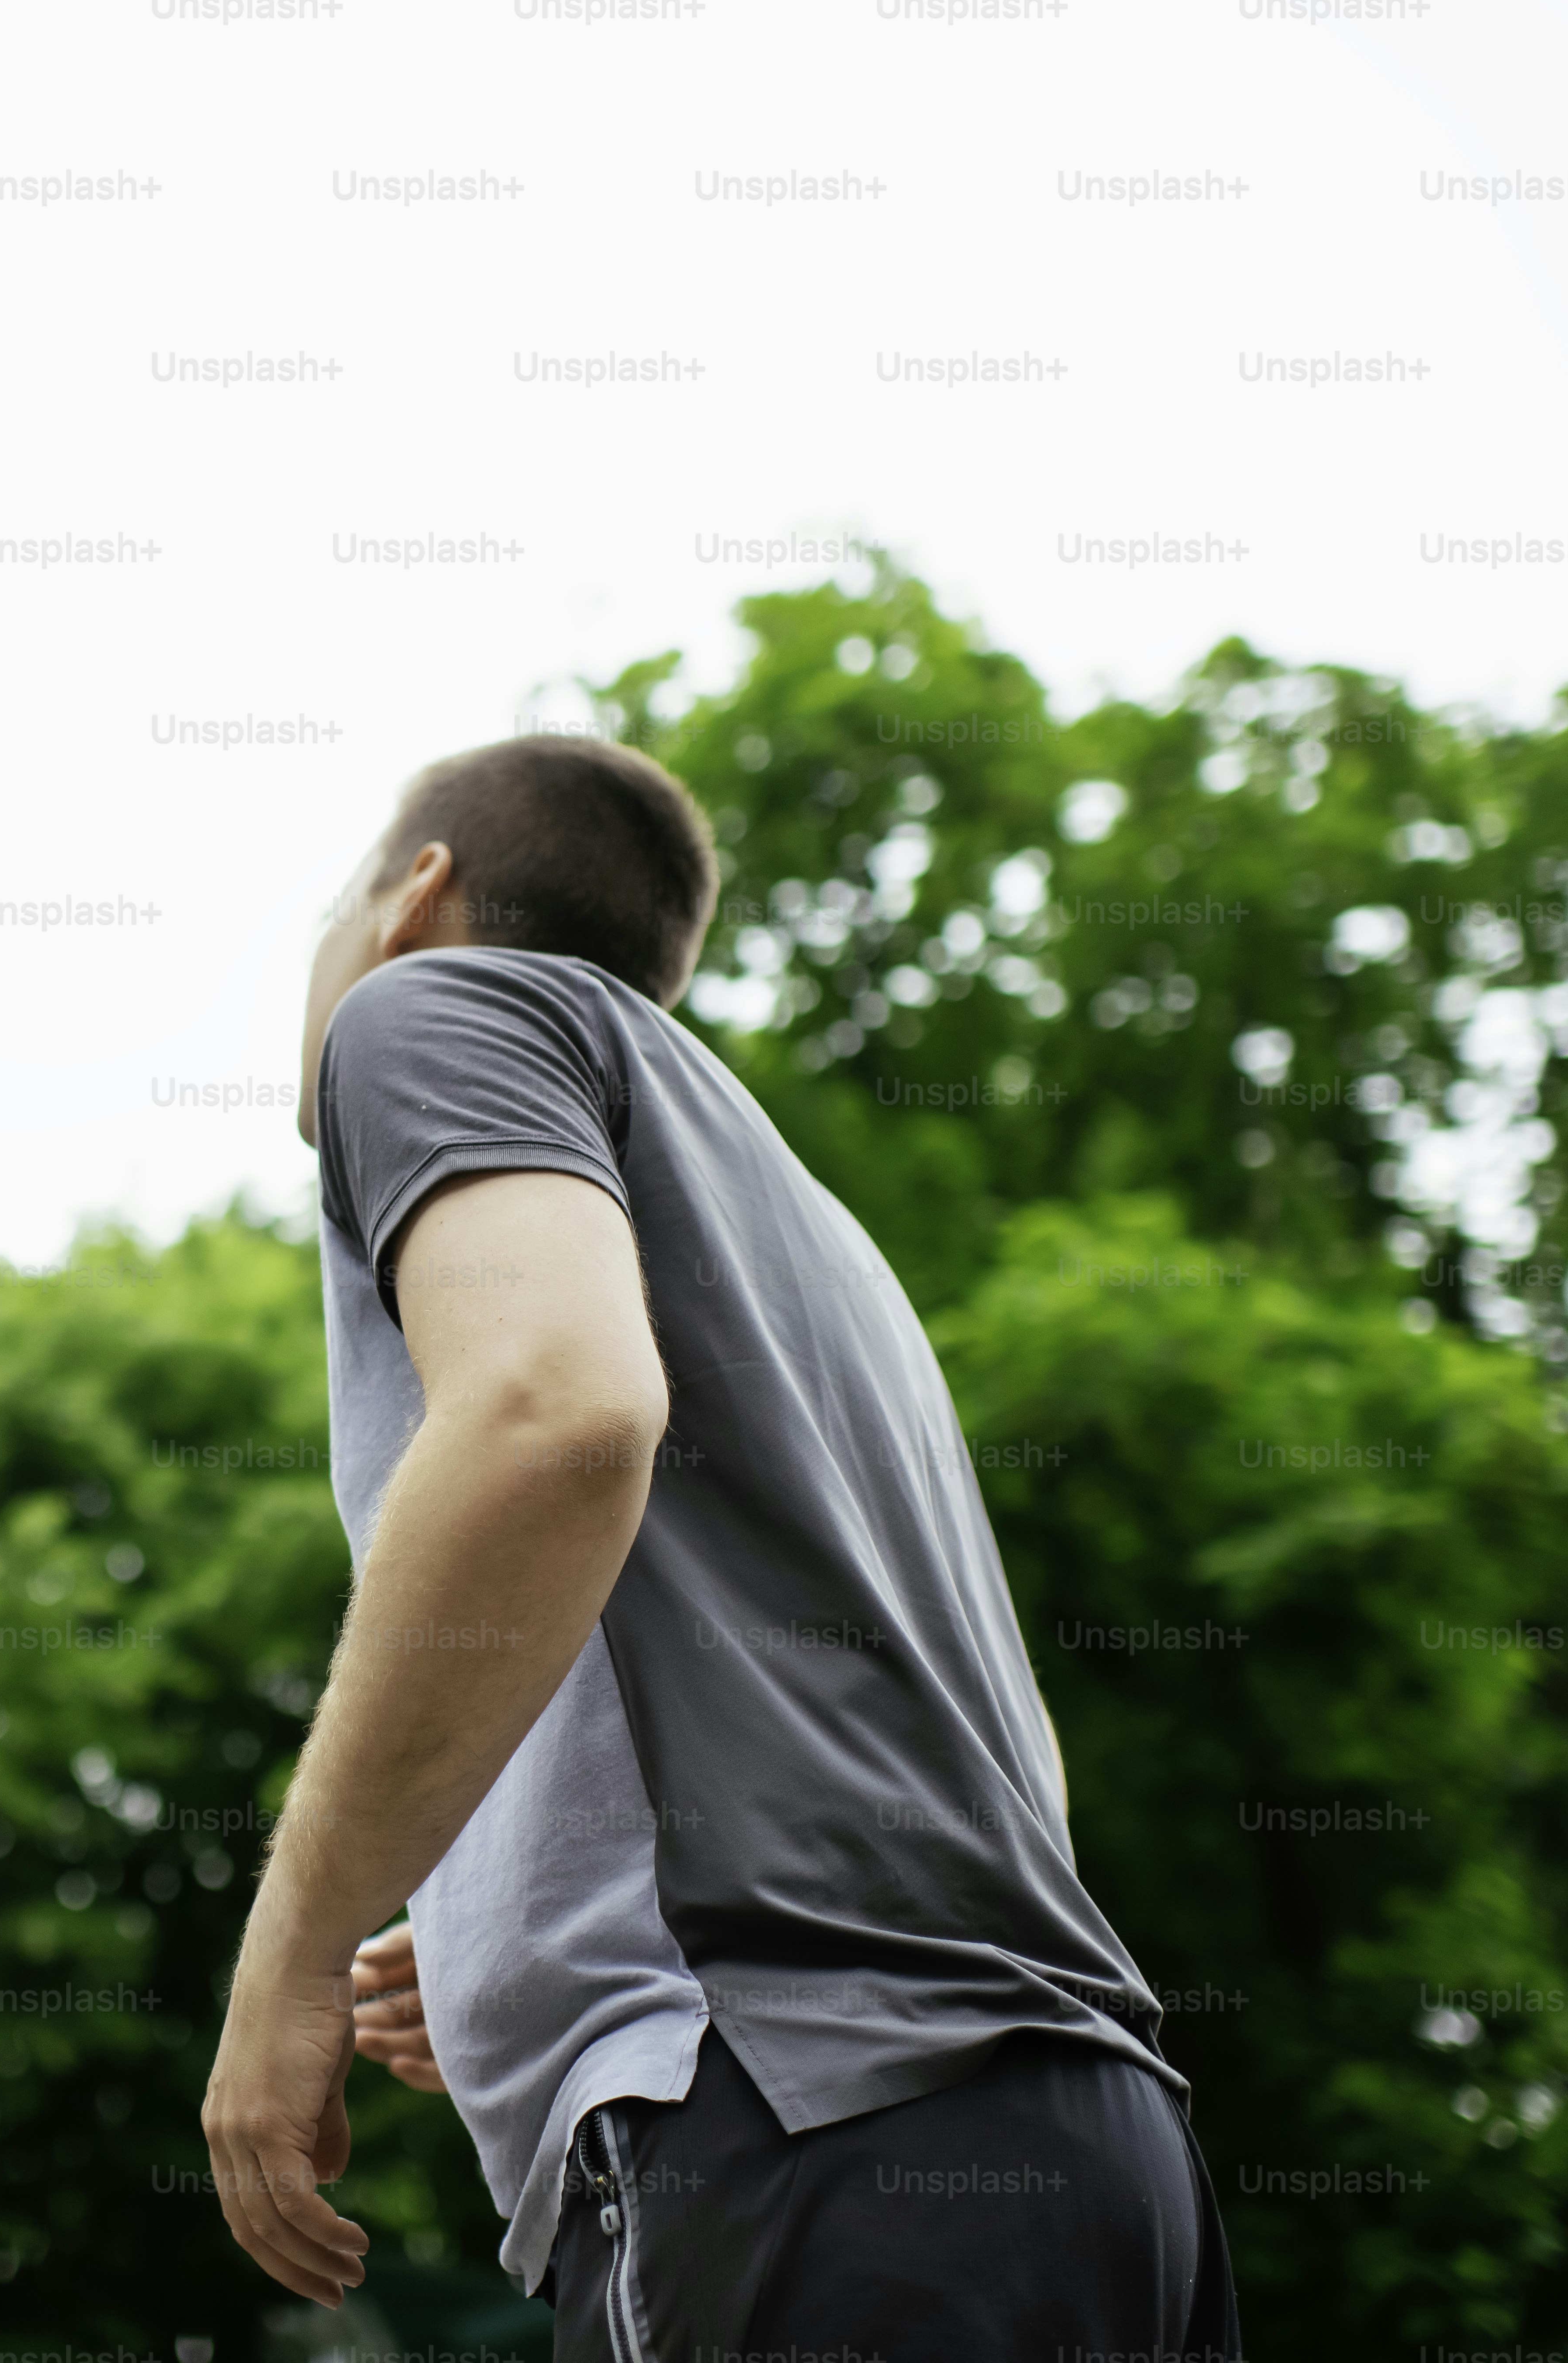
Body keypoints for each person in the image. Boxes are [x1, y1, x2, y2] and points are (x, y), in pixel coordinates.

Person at [198, 735, 1239, 2360]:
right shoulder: (814, 1238)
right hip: (1096, 2158)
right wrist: (499, 1928)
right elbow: (1003, 1754)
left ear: (418, 895)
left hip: (800, 2133)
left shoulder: (429, 1006)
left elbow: (553, 1415)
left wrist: (293, 1957)